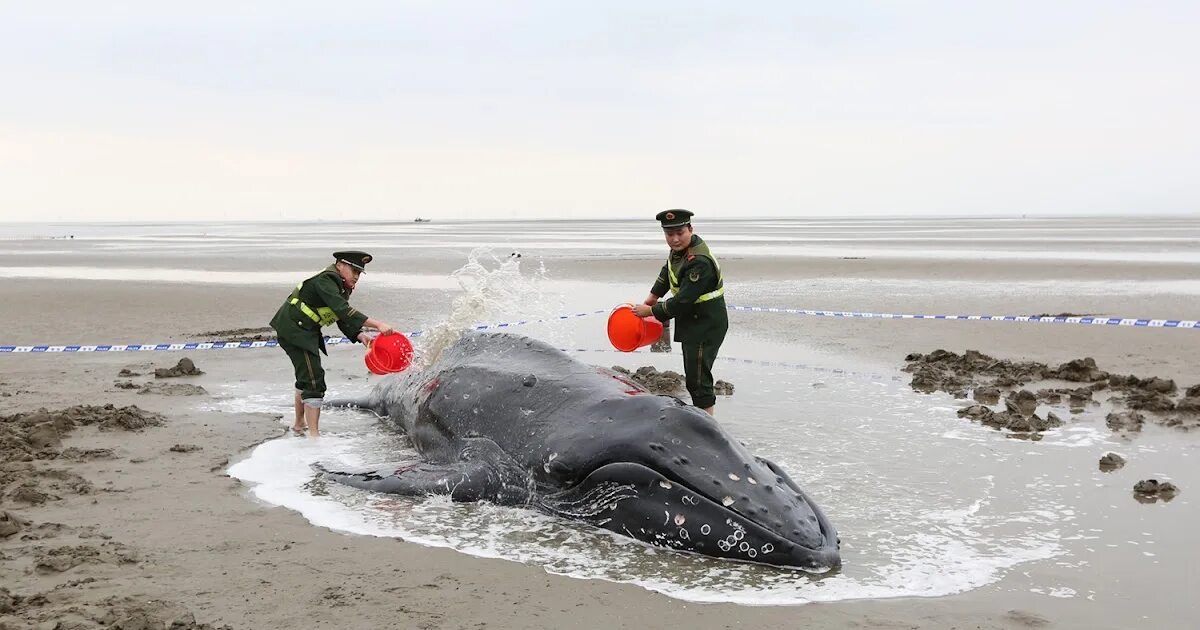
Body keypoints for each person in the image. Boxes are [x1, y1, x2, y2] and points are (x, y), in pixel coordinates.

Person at [269, 251, 394, 438]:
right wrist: (378, 325)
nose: (356, 277)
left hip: (304, 330)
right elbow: (343, 311)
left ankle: (299, 424)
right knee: (314, 379)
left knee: (306, 375)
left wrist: (359, 335)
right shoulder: (326, 281)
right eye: (354, 271)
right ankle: (314, 436)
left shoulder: (341, 286)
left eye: (359, 274)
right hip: (295, 330)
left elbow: (340, 318)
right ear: (340, 265)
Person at [631, 209, 728, 416]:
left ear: (690, 229)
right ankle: (702, 418)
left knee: (699, 377)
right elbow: (668, 270)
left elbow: (682, 301)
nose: (674, 239)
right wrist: (653, 296)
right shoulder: (680, 251)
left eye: (680, 233)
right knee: (693, 372)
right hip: (693, 321)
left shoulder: (699, 261)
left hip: (706, 323)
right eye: (669, 234)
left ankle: (709, 427)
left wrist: (650, 310)